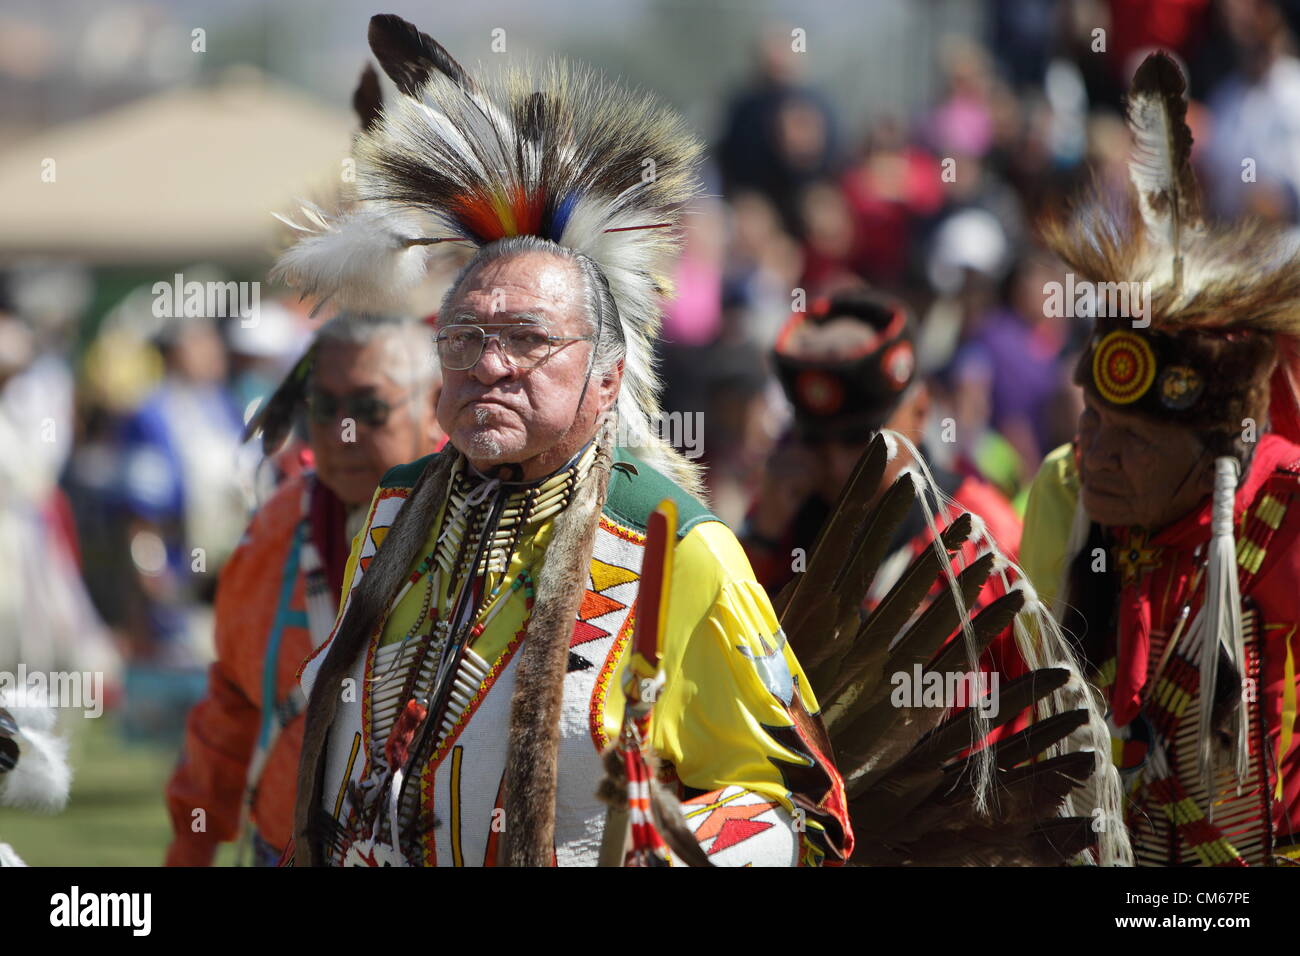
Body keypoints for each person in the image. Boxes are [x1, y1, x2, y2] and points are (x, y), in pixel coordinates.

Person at [275, 16, 854, 868]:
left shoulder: (673, 543)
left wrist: (678, 847)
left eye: (527, 338)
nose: (490, 364)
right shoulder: (398, 507)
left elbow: (800, 801)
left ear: (608, 377)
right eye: (463, 337)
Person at [1022, 50, 1300, 865]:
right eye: (1092, 422)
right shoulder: (1082, 502)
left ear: (1211, 446)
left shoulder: (1283, 515)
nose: (1094, 455)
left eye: (1131, 440)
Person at [164, 313, 444, 866]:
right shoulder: (276, 530)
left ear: (432, 405)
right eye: (323, 407)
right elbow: (234, 699)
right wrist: (192, 844)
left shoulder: (482, 525)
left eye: (369, 409)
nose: (344, 431)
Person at [743, 289, 1022, 602]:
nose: (836, 465)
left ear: (920, 409)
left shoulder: (987, 536)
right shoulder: (778, 519)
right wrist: (762, 539)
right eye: (815, 440)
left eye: (860, 439)